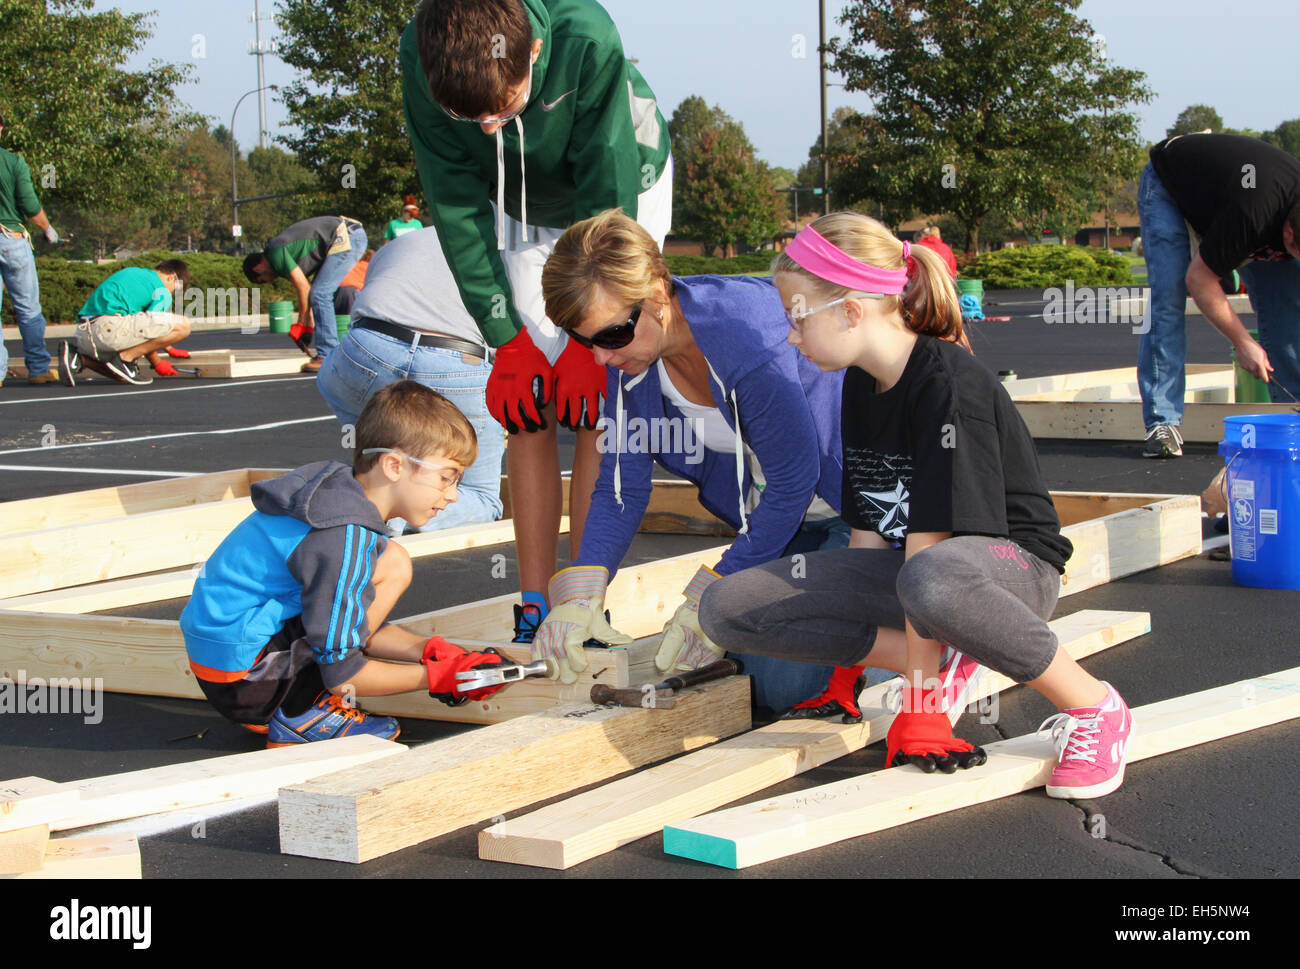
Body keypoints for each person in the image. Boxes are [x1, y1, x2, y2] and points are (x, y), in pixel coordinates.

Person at [696, 212, 1134, 799]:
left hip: (1008, 573)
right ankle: (952, 650)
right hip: (922, 578)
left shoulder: (946, 386)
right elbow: (871, 533)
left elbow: (930, 549)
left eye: (795, 318)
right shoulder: (860, 382)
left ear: (851, 310)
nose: (791, 336)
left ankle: (1094, 706)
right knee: (727, 607)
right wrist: (846, 675)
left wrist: (926, 704)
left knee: (930, 578)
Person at [401, 0, 672, 643]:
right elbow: (458, 208)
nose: (489, 129)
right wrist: (508, 340)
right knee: (531, 403)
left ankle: (585, 601)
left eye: (504, 107)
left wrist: (590, 342)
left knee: (596, 403)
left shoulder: (586, 35)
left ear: (535, 53)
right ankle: (531, 606)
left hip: (621, 186)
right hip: (516, 198)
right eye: (471, 118)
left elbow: (607, 196)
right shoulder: (421, 51)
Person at [529, 209, 868, 714]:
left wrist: (707, 593)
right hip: (783, 527)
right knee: (749, 673)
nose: (600, 357)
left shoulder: (743, 335)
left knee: (779, 687)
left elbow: (796, 480)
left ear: (659, 295)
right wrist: (581, 592)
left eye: (611, 336)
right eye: (584, 340)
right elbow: (620, 489)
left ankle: (923, 629)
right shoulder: (631, 355)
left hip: (859, 515)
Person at [180, 381, 509, 746]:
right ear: (394, 465)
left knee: (393, 562)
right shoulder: (343, 536)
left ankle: (289, 704)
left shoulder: (337, 495)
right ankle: (299, 713)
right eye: (447, 477)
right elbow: (344, 675)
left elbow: (348, 624)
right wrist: (439, 677)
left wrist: (427, 651)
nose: (453, 494)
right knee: (374, 588)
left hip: (229, 658)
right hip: (247, 679)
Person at [318, 226, 504, 532]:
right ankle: (393, 517)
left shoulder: (404, 241)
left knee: (375, 461)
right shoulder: (510, 245)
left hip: (365, 350)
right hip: (459, 357)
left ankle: (351, 506)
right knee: (482, 498)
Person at [1138, 132, 1300, 458]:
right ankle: (1162, 421)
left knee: (1287, 301)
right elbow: (1198, 281)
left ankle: (1293, 411)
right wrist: (1243, 342)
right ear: (1289, 231)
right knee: (1170, 296)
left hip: (1231, 198)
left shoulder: (1286, 209)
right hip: (1170, 183)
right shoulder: (1252, 216)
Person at [242, 215, 368, 373]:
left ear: (257, 269)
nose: (268, 282)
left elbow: (304, 289)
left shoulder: (274, 254)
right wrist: (308, 328)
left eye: (262, 281)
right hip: (346, 235)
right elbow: (308, 291)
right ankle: (332, 352)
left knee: (321, 293)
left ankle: (327, 354)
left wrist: (301, 324)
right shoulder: (281, 256)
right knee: (320, 292)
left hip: (346, 236)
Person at [59, 260, 192, 387]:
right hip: (108, 330)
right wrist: (157, 363)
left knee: (123, 375)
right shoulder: (162, 291)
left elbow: (143, 325)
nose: (171, 293)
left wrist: (168, 348)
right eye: (174, 289)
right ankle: (125, 360)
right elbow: (151, 329)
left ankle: (80, 358)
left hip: (85, 335)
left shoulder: (133, 273)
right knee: (183, 326)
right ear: (172, 278)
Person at [0, 112, 58, 385]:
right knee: (28, 308)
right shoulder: (13, 162)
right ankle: (38, 368)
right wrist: (47, 229)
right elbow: (31, 206)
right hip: (11, 239)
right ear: (1, 128)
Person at [333, 248, 373, 318]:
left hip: (336, 290)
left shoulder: (355, 264)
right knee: (348, 321)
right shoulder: (369, 267)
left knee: (335, 319)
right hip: (351, 293)